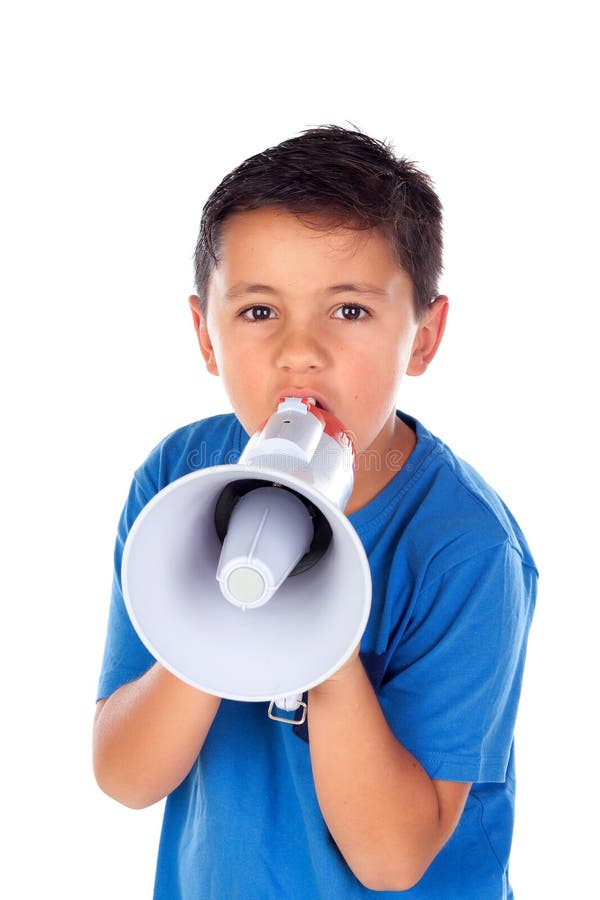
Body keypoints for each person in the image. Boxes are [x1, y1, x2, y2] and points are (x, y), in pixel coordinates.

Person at [93, 124, 537, 899]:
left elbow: (394, 860)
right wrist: (218, 621)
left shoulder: (465, 548)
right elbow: (126, 777)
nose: (301, 353)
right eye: (260, 313)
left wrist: (319, 634)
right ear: (205, 334)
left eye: (350, 312)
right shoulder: (177, 481)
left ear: (424, 337)